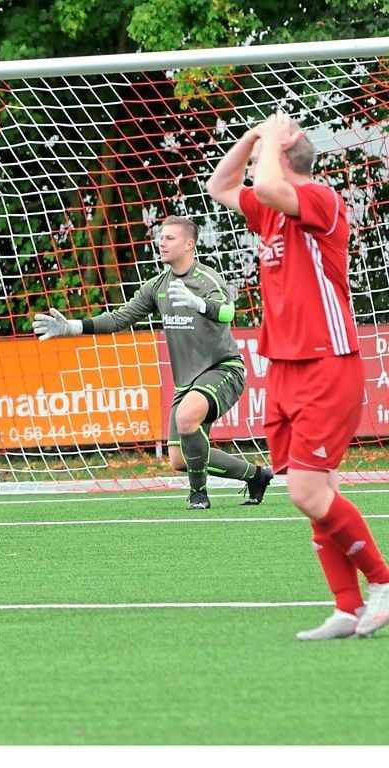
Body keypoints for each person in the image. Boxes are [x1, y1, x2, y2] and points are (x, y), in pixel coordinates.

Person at [206, 112, 389, 640]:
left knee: (309, 494)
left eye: (272, 151)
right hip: (284, 366)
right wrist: (253, 136)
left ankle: (382, 581)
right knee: (316, 490)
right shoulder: (268, 213)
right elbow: (222, 184)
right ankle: (349, 606)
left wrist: (271, 139)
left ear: (285, 161)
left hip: (327, 362)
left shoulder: (321, 201)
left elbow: (264, 182)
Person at [33, 215, 273, 511]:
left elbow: (227, 311)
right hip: (187, 381)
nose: (162, 242)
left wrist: (199, 304)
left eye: (169, 238)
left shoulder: (206, 278)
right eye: (161, 237)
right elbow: (119, 318)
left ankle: (198, 495)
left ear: (189, 244)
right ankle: (256, 475)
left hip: (223, 369)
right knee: (179, 459)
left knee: (186, 418)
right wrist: (73, 327)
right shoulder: (158, 286)